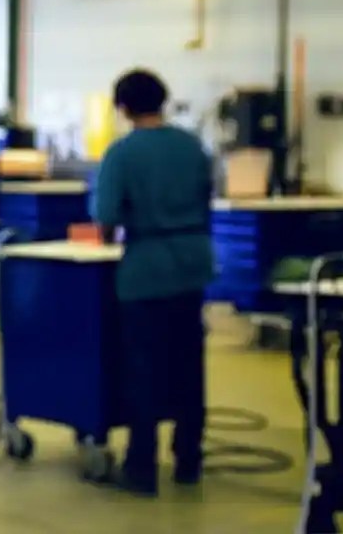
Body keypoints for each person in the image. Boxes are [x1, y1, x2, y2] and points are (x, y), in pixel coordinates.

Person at [90, 68, 213, 496]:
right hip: (192, 264)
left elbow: (107, 215)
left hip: (146, 270)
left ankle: (142, 466)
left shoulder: (122, 153)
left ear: (123, 108)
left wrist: (110, 240)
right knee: (189, 365)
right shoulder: (192, 146)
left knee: (144, 368)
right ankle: (189, 459)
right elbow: (207, 199)